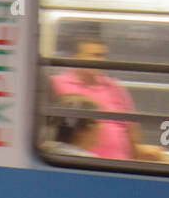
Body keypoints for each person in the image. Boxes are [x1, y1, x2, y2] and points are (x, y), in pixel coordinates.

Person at [50, 27, 161, 160]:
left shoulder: (114, 87)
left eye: (103, 55)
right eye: (95, 55)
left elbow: (131, 130)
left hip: (118, 163)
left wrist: (140, 154)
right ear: (75, 58)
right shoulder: (57, 84)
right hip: (81, 162)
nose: (101, 60)